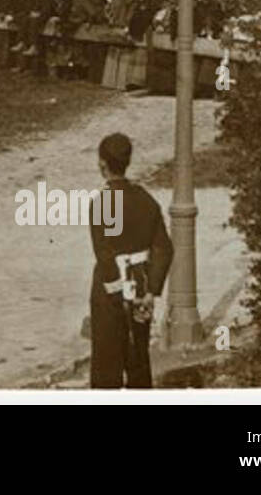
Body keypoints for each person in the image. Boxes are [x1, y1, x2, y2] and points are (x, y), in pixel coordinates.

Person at [88, 132, 173, 389]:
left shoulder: (104, 202)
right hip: (141, 284)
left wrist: (118, 292)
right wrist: (150, 292)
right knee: (138, 360)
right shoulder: (145, 200)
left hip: (110, 293)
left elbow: (104, 253)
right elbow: (164, 249)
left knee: (106, 364)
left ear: (103, 164)